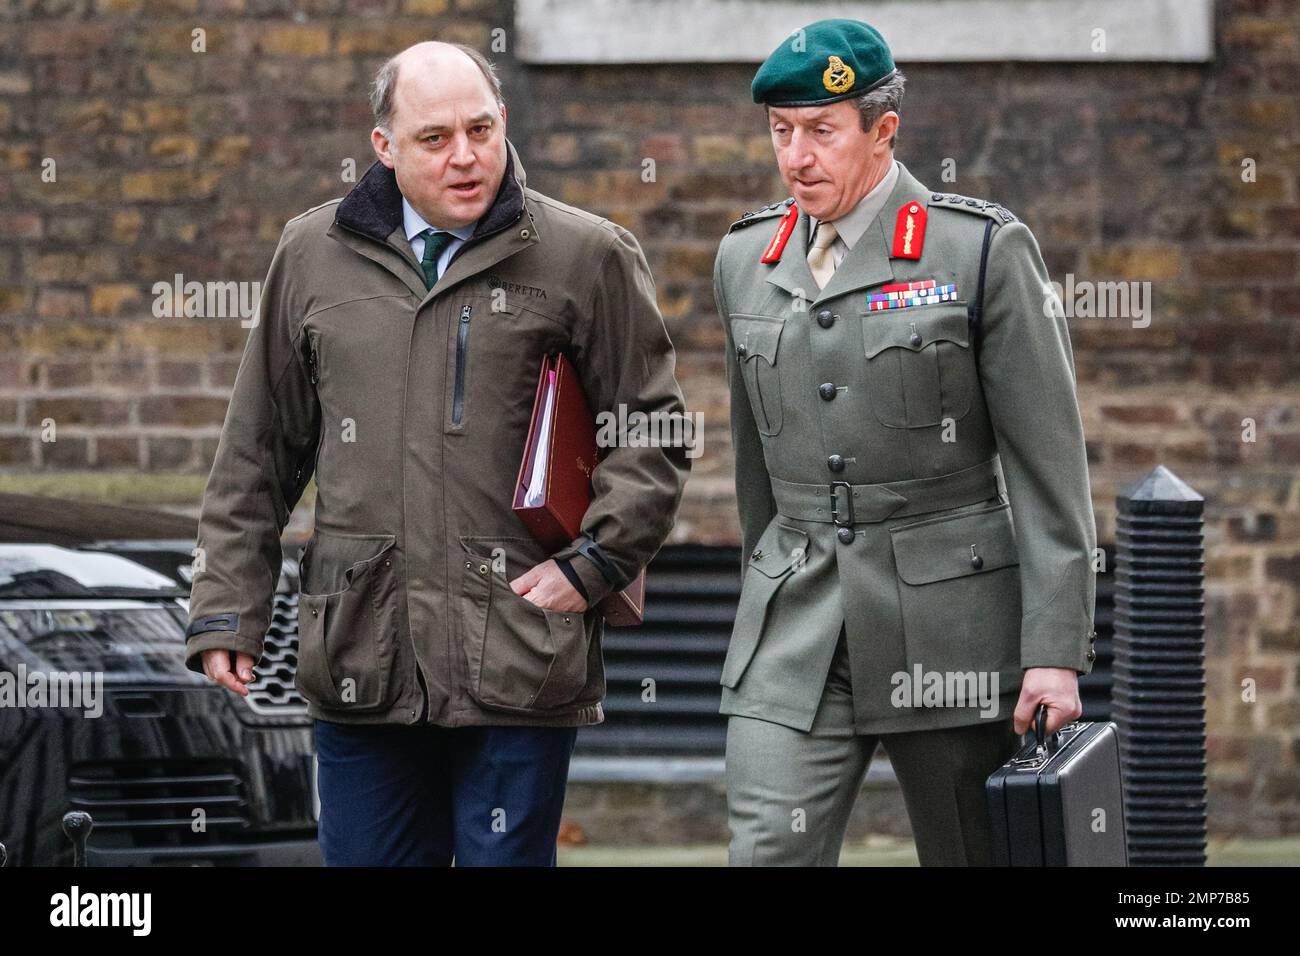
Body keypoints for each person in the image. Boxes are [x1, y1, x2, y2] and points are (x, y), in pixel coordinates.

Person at [184, 41, 689, 866]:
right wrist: (226, 606)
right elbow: (258, 449)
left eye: (481, 130)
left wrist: (592, 567)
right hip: (360, 655)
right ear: (383, 146)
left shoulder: (584, 254)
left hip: (519, 651)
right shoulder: (312, 255)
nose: (466, 157)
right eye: (435, 138)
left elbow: (654, 432)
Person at [713, 18, 1098, 866]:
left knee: (971, 853)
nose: (796, 156)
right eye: (781, 131)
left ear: (883, 131)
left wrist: (1054, 652)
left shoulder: (980, 249)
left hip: (952, 627)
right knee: (768, 848)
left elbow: (1049, 469)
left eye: (821, 131)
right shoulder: (744, 258)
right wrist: (761, 589)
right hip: (798, 626)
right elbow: (756, 471)